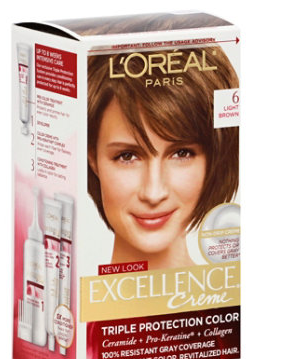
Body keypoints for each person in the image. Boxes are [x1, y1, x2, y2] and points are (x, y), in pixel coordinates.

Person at [87, 46, 239, 269]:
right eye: (127, 156)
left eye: (181, 153)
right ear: (93, 159)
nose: (154, 193)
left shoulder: (229, 290)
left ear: (213, 158)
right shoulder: (75, 291)